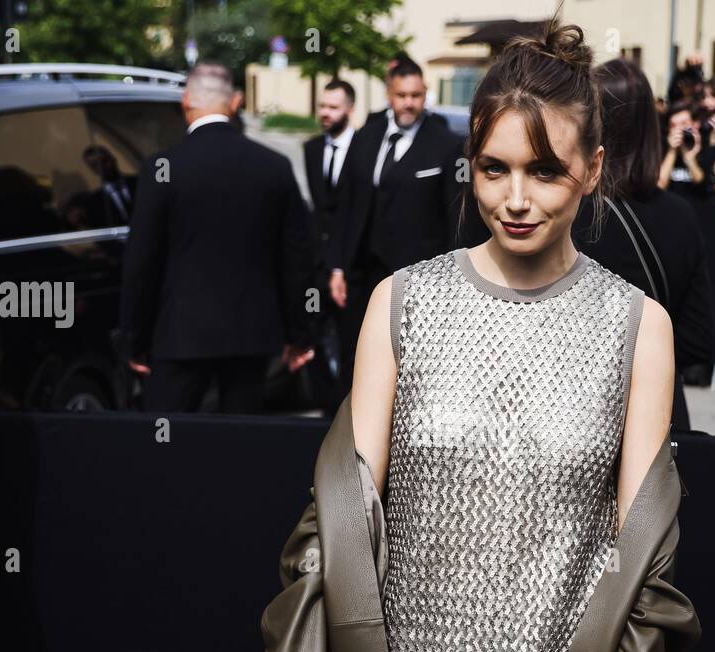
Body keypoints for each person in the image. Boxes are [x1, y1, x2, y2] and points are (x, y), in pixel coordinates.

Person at [242, 20, 701, 652]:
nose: (515, 198)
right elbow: (335, 521)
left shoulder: (638, 327)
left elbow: (648, 564)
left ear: (593, 170)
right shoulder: (401, 303)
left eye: (545, 171)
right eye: (494, 169)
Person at [119, 62, 312, 413]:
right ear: (235, 103)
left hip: (179, 334)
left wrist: (134, 337)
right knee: (240, 446)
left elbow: (142, 260)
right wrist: (300, 334)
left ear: (186, 101)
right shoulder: (273, 166)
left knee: (166, 445)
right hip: (252, 335)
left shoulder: (163, 168)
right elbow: (296, 257)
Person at [327, 53, 467, 403]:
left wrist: (455, 279)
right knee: (355, 353)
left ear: (425, 95)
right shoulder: (366, 138)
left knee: (409, 364)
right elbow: (344, 206)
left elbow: (456, 215)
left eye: (416, 96)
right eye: (402, 96)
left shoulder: (446, 145)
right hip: (363, 272)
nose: (409, 103)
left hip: (419, 276)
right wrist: (338, 267)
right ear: (389, 95)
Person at [581, 57, 714, 414]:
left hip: (576, 413)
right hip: (661, 404)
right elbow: (699, 341)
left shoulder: (567, 212)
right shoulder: (679, 215)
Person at [302, 79, 358, 414]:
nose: (325, 113)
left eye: (333, 107)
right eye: (322, 106)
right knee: (313, 335)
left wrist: (342, 265)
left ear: (350, 109)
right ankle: (325, 408)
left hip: (351, 264)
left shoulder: (364, 149)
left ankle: (349, 411)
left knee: (350, 340)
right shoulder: (311, 149)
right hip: (317, 265)